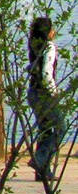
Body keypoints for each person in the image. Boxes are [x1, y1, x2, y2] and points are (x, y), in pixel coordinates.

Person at [27, 16, 65, 183]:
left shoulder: (34, 46)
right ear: (48, 32)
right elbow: (46, 73)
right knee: (60, 128)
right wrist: (54, 92)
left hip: (33, 93)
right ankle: (40, 160)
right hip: (44, 95)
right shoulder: (49, 47)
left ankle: (42, 172)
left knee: (44, 131)